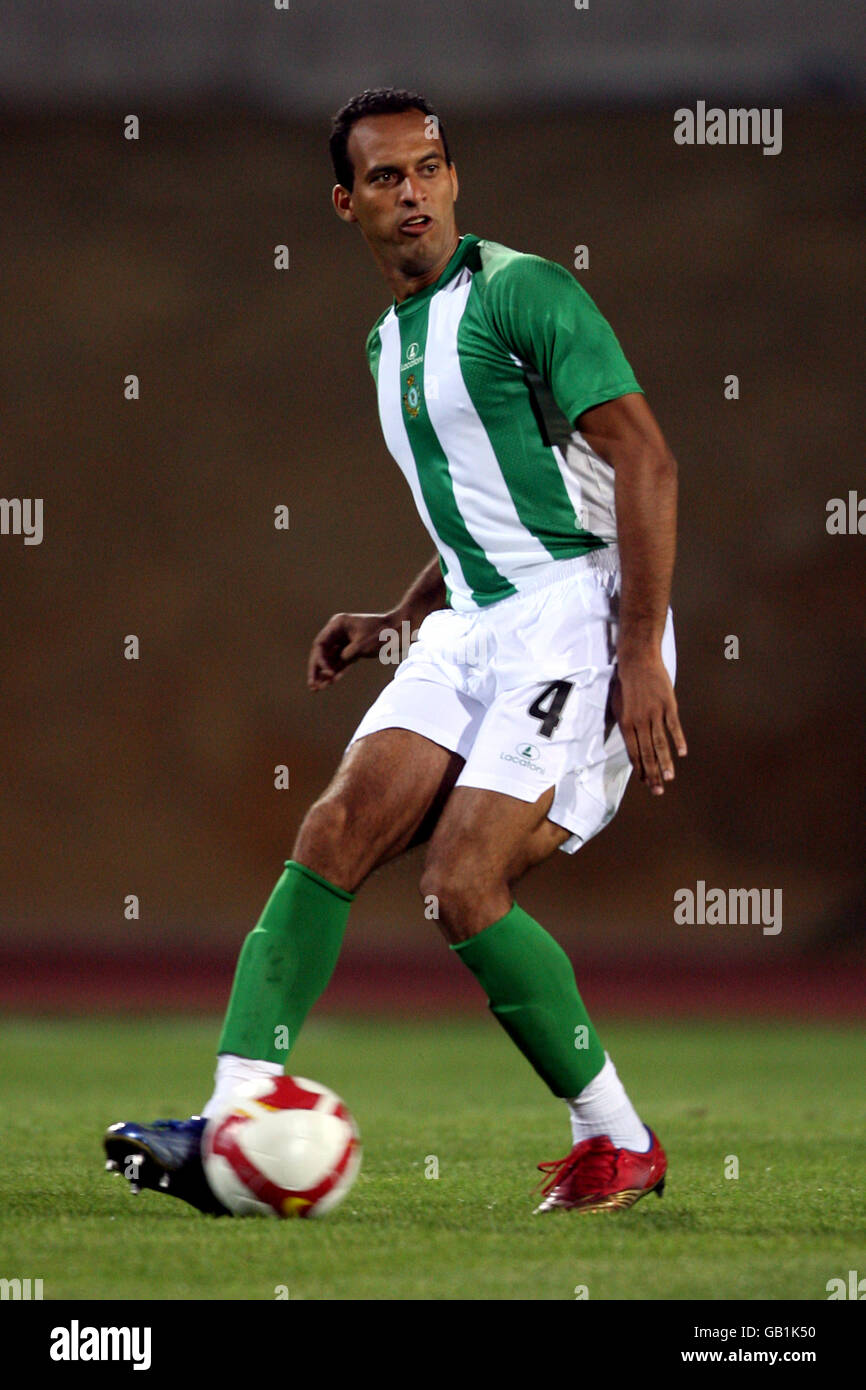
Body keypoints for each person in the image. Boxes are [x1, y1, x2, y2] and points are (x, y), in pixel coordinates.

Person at [104, 87, 686, 1216]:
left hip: (571, 614)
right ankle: (228, 1125)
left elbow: (645, 464)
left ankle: (618, 1139)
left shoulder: (524, 291)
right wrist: (394, 613)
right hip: (468, 620)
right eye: (384, 177)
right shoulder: (385, 342)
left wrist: (643, 649)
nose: (410, 191)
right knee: (332, 829)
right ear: (344, 202)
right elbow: (475, 511)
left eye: (427, 169)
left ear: (452, 180)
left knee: (461, 884)